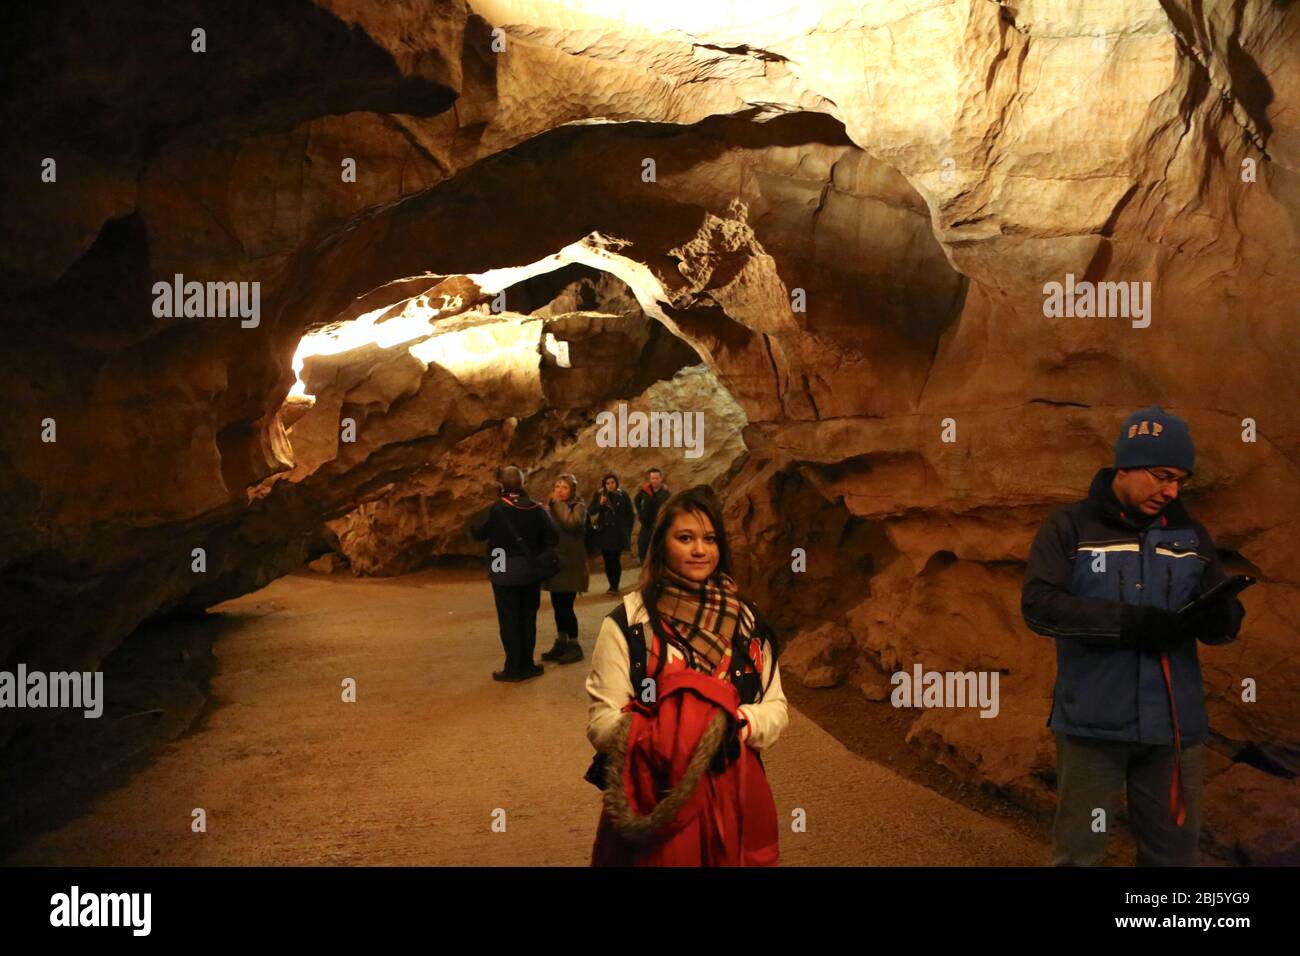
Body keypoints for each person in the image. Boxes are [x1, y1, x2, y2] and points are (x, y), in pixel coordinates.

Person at [1021, 406, 1245, 866]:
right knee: (1079, 854)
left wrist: (1223, 616)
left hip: (1173, 729)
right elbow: (1040, 607)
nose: (1171, 490)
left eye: (1180, 480)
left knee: (1174, 858)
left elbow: (1221, 619)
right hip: (1092, 725)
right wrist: (1128, 623)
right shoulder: (1070, 527)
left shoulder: (1190, 535)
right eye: (1162, 475)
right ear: (1125, 466)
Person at [585, 485, 788, 866]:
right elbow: (601, 722)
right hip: (653, 796)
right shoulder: (628, 625)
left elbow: (775, 708)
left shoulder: (747, 621)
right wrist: (672, 733)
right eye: (685, 538)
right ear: (661, 545)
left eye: (709, 539)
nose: (700, 550)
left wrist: (732, 727)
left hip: (735, 787)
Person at [470, 465, 559, 683]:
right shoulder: (536, 508)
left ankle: (512, 667)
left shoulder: (496, 509)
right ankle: (527, 664)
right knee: (527, 618)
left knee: (508, 618)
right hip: (529, 568)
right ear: (523, 483)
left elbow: (477, 532)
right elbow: (553, 536)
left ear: (501, 484)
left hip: (501, 566)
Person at [541, 473, 589, 665]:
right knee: (557, 606)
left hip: (570, 565)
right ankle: (561, 642)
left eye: (565, 487)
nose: (560, 491)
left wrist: (556, 505)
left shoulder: (579, 507)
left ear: (572, 490)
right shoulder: (551, 509)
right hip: (555, 564)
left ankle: (574, 645)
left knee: (566, 607)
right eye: (557, 486)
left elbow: (572, 523)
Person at [588, 473, 634, 594]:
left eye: (612, 482)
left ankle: (615, 586)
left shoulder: (623, 495)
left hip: (618, 533)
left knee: (615, 559)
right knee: (607, 560)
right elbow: (591, 511)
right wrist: (600, 504)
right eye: (607, 483)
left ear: (616, 483)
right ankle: (611, 585)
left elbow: (630, 514)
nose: (610, 485)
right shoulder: (599, 495)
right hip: (604, 533)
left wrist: (627, 530)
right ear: (604, 484)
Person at [633, 467, 670, 562]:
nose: (655, 480)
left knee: (659, 551)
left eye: (657, 478)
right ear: (650, 479)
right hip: (646, 526)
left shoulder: (666, 493)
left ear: (661, 479)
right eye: (653, 478)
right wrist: (641, 514)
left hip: (659, 525)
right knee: (643, 548)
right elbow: (636, 500)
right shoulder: (644, 491)